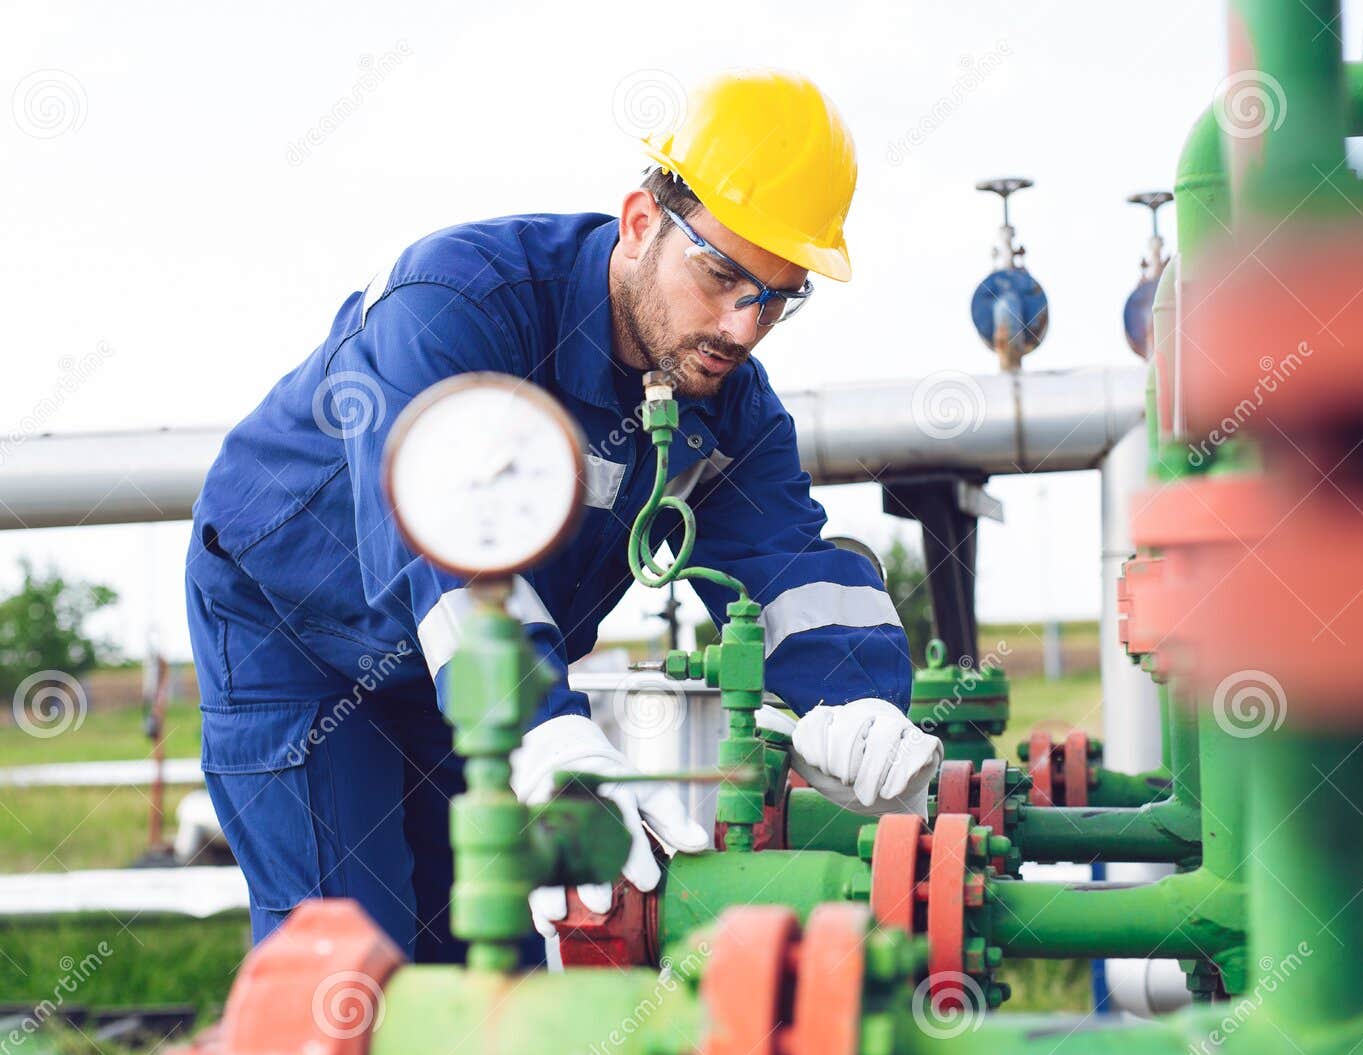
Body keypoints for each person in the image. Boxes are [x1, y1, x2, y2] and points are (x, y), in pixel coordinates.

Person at [184, 70, 940, 961]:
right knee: (356, 964)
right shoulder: (461, 303)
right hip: (294, 639)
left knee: (479, 950)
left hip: (462, 673)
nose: (742, 326)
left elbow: (788, 561)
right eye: (723, 274)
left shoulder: (725, 401)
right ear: (639, 223)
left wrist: (858, 704)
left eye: (777, 297)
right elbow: (432, 541)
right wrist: (545, 725)